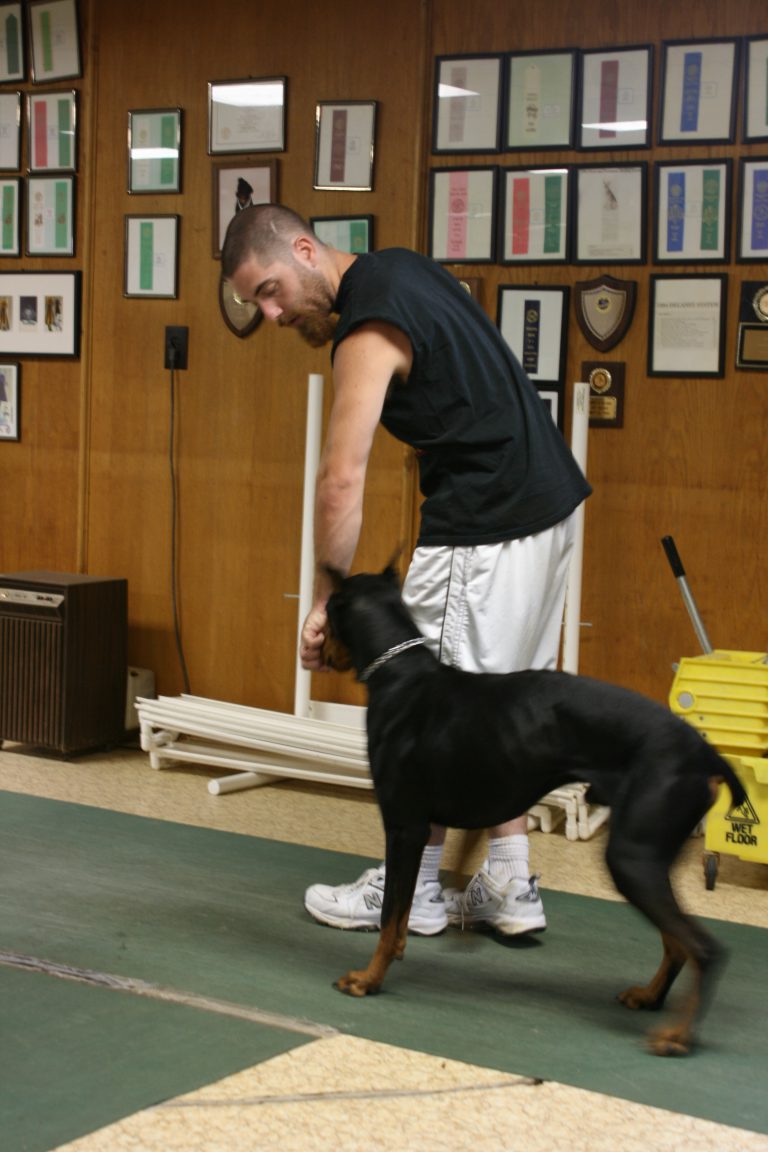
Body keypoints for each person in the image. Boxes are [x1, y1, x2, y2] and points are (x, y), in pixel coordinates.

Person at [222, 205, 591, 938]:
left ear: (303, 250)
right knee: (494, 704)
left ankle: (414, 889)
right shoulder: (404, 268)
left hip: (488, 525)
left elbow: (339, 480)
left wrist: (325, 603)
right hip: (548, 509)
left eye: (269, 290)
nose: (269, 314)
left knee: (429, 713)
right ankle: (510, 882)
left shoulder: (367, 327)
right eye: (255, 303)